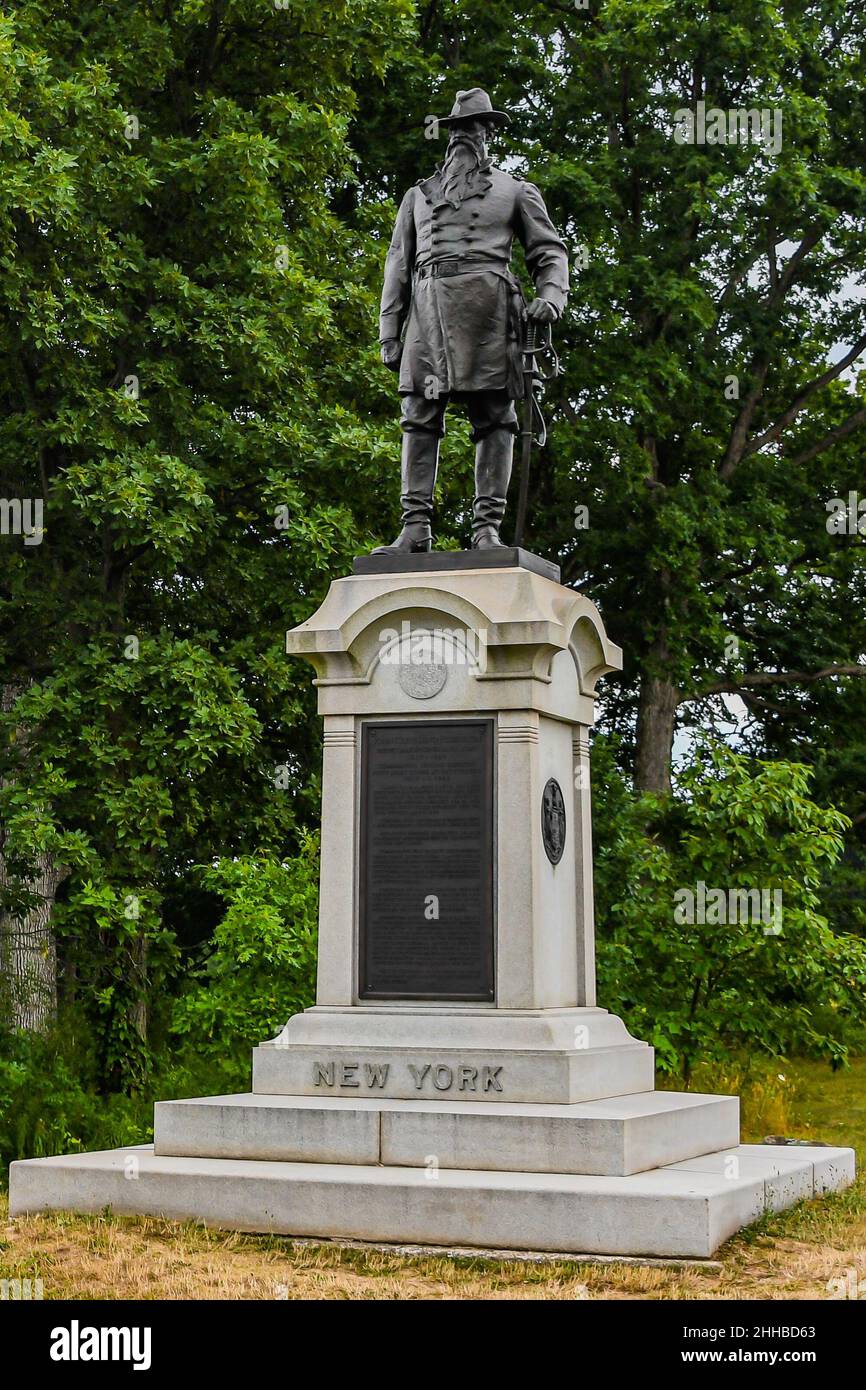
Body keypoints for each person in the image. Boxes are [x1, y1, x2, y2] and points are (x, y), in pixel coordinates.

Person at [375, 87, 569, 553]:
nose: (465, 135)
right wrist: (389, 330)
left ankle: (487, 529)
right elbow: (397, 264)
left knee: (495, 417)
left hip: (490, 312)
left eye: (474, 126)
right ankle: (414, 527)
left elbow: (550, 252)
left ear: (488, 134)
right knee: (419, 416)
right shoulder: (417, 197)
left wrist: (551, 297)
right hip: (428, 313)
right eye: (458, 127)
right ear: (448, 135)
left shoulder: (515, 191)